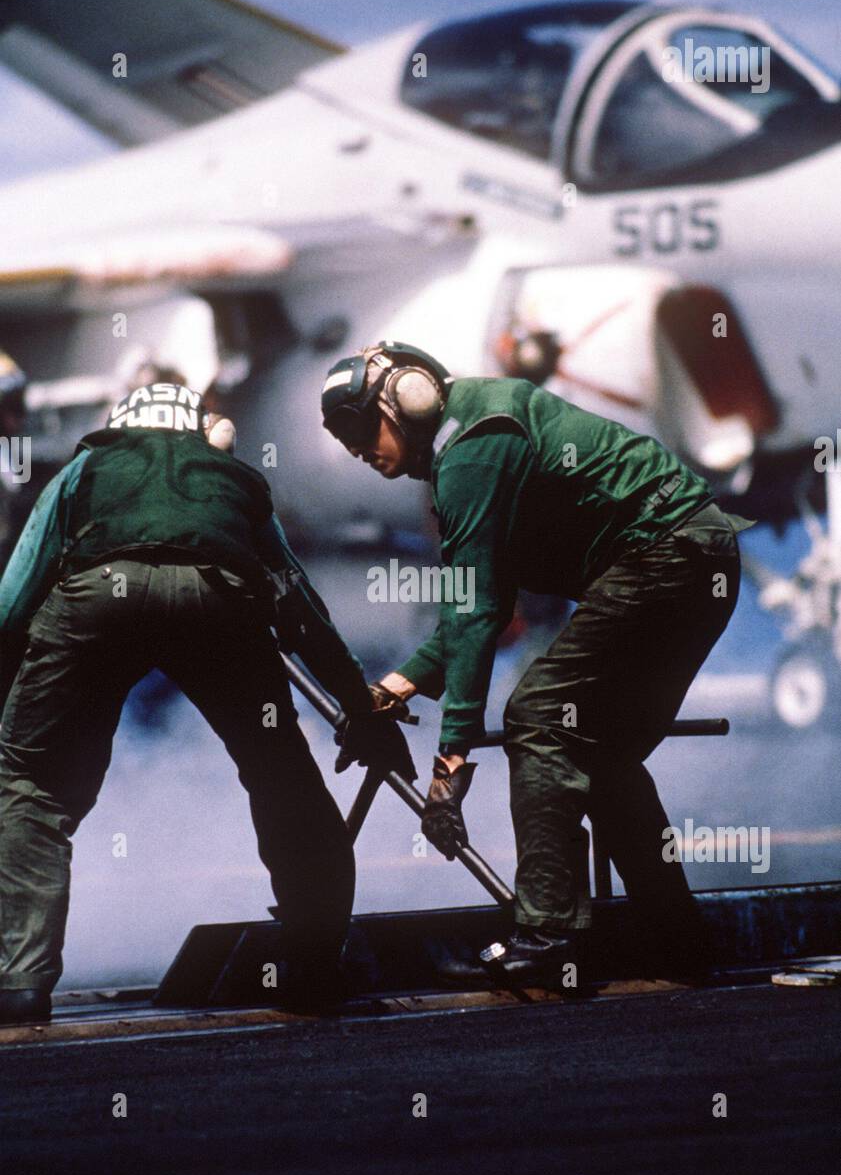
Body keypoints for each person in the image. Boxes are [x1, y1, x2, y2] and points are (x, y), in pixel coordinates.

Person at [321, 340, 752, 988]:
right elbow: (480, 609)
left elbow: (469, 618)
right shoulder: (470, 439)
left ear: (406, 398)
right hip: (693, 554)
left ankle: (550, 936)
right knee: (597, 751)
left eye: (358, 427)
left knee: (541, 717)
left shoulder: (471, 447)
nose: (356, 449)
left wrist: (449, 769)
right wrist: (389, 690)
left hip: (666, 555)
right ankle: (677, 941)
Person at [0, 379, 413, 1025]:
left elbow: (14, 596)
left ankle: (22, 983)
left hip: (98, 596)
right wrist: (361, 711)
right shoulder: (231, 475)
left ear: (121, 425)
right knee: (280, 772)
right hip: (218, 597)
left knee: (32, 788)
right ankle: (313, 966)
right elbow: (299, 603)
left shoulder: (87, 465)